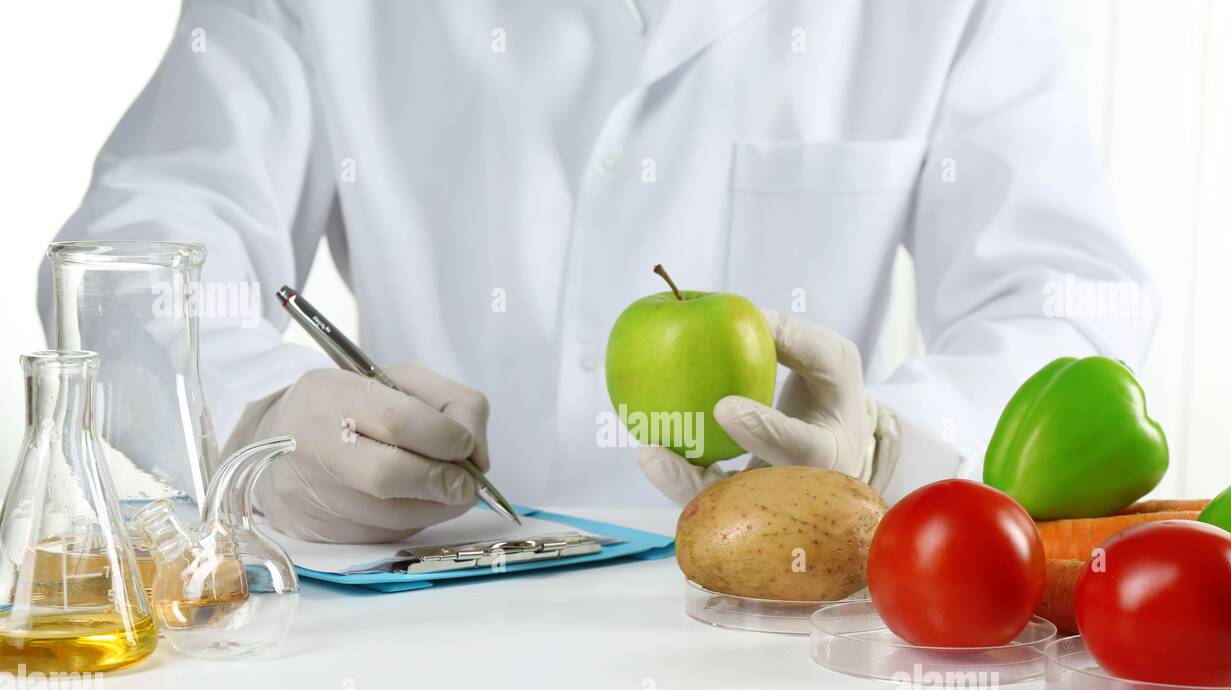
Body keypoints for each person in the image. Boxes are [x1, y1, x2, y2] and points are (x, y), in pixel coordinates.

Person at [39, 0, 1156, 543]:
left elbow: (1070, 299)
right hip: (422, 624)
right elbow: (123, 265)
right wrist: (263, 424)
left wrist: (893, 443)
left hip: (791, 643)